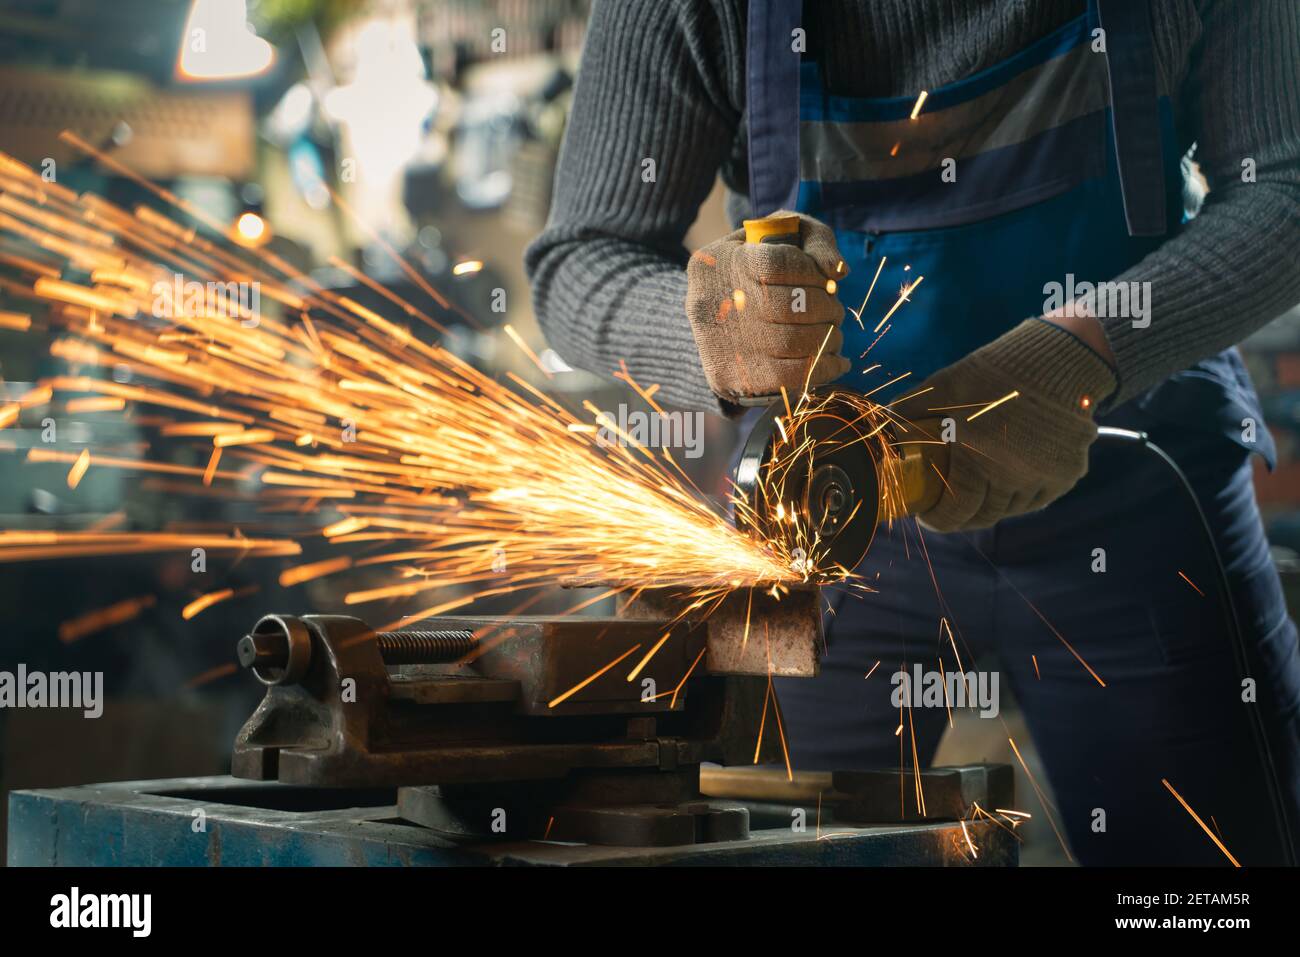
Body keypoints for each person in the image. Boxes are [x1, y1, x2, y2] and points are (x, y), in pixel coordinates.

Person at [525, 0, 1300, 865]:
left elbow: (1284, 184)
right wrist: (712, 329)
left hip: (1134, 474)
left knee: (1201, 898)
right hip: (820, 519)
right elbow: (582, 256)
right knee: (776, 852)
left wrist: (1088, 353)